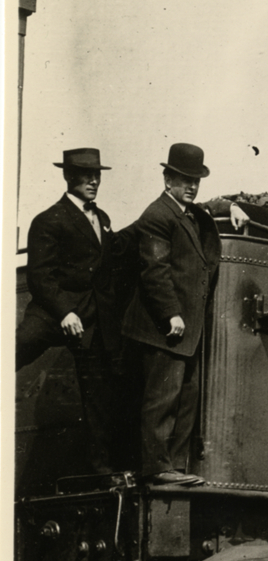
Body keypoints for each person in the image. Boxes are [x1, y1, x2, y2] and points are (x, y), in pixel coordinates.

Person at [121, 143, 224, 486]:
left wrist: (232, 206)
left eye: (196, 180)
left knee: (186, 398)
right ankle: (156, 467)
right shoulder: (158, 215)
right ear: (168, 179)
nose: (192, 186)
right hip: (164, 328)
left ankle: (174, 466)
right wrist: (170, 314)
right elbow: (155, 270)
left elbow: (207, 208)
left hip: (185, 331)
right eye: (184, 180)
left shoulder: (186, 212)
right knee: (162, 399)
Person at [16, 148, 124, 472]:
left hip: (91, 318)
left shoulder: (102, 219)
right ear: (68, 176)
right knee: (19, 346)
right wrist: (64, 312)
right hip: (53, 313)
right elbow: (40, 277)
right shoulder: (48, 220)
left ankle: (101, 471)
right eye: (85, 175)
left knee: (98, 396)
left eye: (97, 175)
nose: (93, 181)